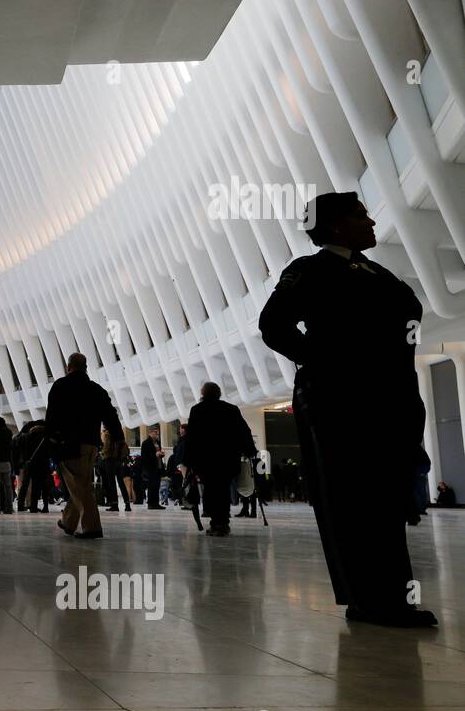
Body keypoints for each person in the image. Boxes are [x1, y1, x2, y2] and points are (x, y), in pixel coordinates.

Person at [259, 190, 436, 627]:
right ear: (336, 226)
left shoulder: (377, 273)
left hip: (388, 398)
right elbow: (273, 325)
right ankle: (368, 600)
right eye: (361, 216)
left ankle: (390, 598)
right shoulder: (308, 271)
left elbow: (407, 322)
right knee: (349, 499)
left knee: (386, 501)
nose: (372, 223)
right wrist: (323, 363)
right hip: (337, 403)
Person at [45, 353, 124, 539]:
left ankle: (92, 527)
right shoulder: (95, 389)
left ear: (69, 366)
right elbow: (111, 416)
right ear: (85, 367)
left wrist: (51, 440)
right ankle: (68, 522)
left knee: (79, 485)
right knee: (80, 483)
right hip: (92, 445)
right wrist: (119, 438)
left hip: (69, 445)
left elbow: (52, 417)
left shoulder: (60, 386)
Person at [181, 382, 256, 536]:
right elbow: (243, 431)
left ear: (203, 394)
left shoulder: (197, 410)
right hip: (227, 459)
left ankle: (217, 522)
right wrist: (249, 450)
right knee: (223, 489)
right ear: (219, 393)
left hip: (206, 461)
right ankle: (222, 522)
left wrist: (187, 460)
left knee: (211, 489)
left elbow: (192, 438)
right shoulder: (231, 409)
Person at [100, 418, 130, 512]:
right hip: (118, 460)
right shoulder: (119, 434)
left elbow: (107, 446)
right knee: (121, 482)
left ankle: (114, 505)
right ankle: (127, 504)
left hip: (109, 460)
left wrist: (102, 453)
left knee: (111, 482)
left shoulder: (107, 434)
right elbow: (125, 447)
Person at [140, 428, 164, 509]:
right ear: (150, 433)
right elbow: (144, 457)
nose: (157, 434)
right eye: (155, 433)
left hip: (158, 466)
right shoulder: (146, 443)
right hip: (151, 468)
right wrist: (155, 455)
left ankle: (156, 503)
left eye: (157, 433)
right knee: (151, 486)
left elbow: (158, 454)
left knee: (157, 486)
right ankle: (150, 503)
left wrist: (161, 454)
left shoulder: (157, 442)